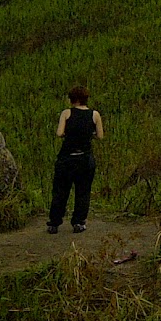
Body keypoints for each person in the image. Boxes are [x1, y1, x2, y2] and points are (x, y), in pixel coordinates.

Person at [48, 86, 103, 234]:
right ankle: (78, 222)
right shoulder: (95, 114)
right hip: (85, 157)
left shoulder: (66, 113)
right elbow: (100, 136)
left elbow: (59, 133)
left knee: (60, 191)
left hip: (67, 158)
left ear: (72, 99)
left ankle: (54, 223)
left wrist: (70, 132)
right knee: (83, 191)